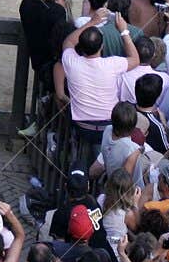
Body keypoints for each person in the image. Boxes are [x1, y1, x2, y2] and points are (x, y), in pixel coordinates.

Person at [57, 10, 140, 166]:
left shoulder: (71, 61)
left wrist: (92, 22)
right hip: (107, 125)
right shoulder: (112, 64)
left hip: (83, 125)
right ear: (102, 46)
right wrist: (123, 30)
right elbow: (135, 59)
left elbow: (68, 42)